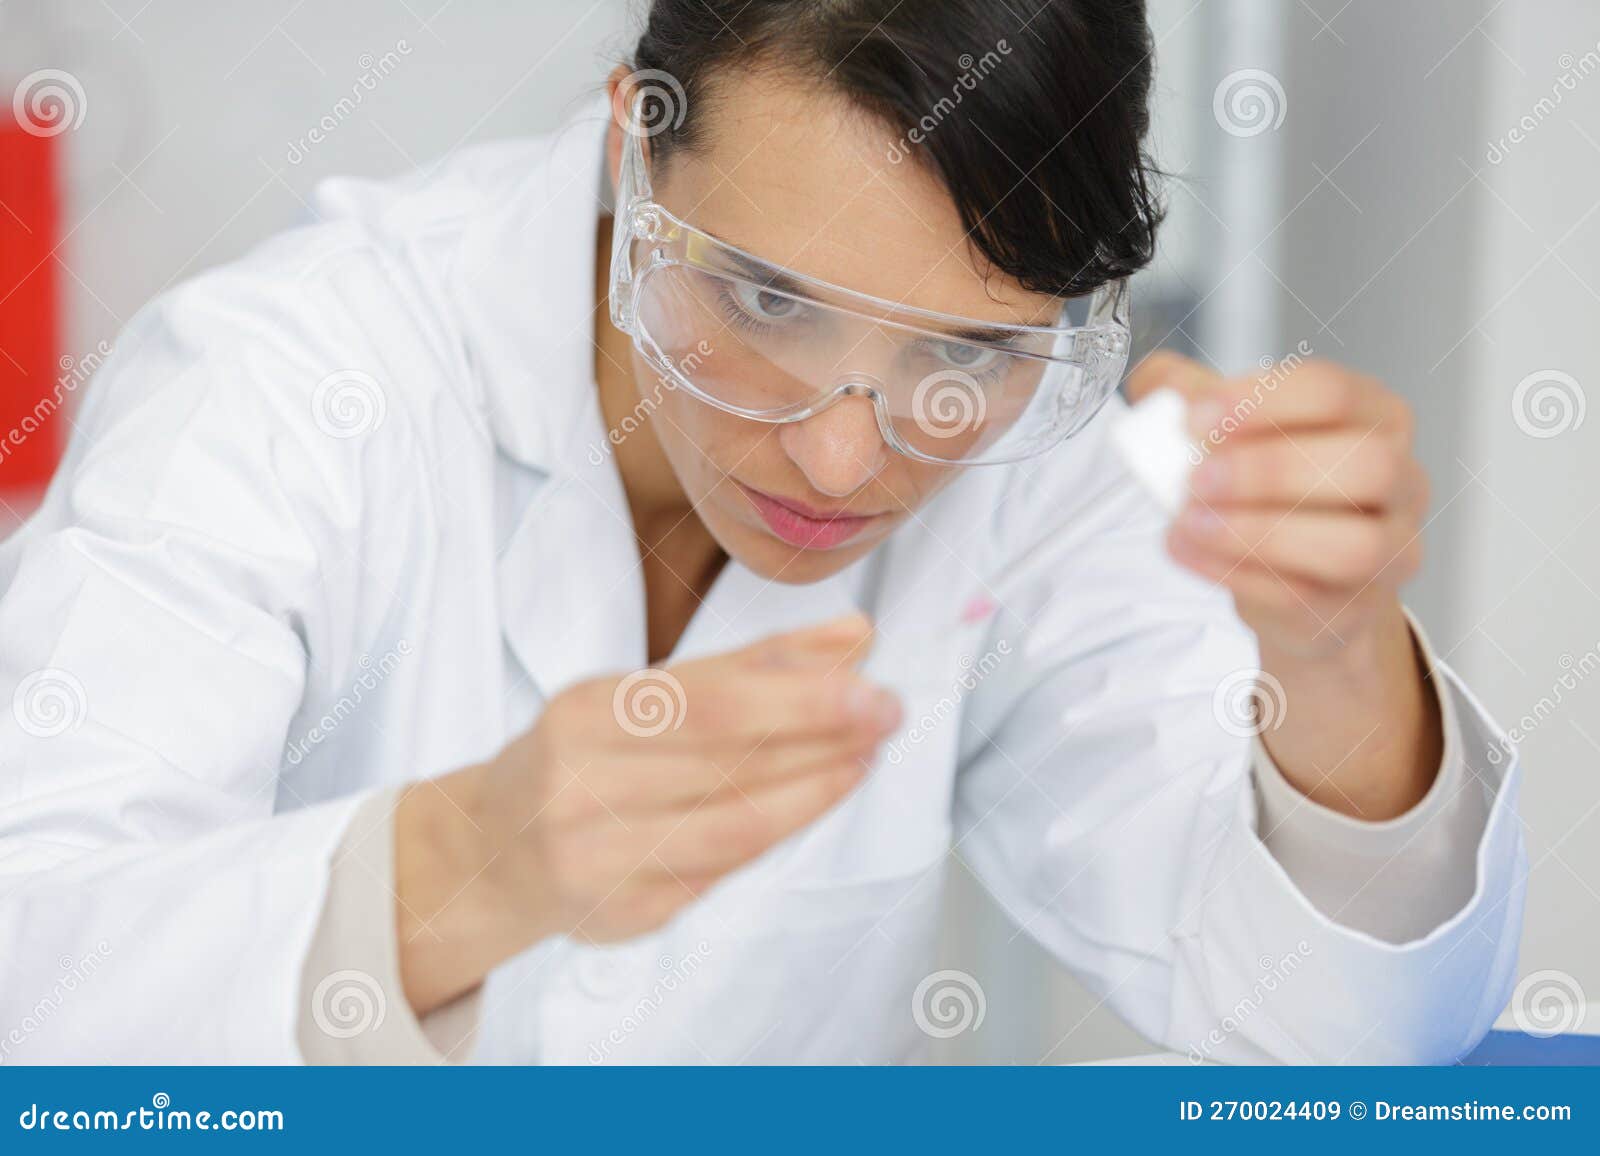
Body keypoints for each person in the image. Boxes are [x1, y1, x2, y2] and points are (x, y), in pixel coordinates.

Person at [0, 0, 1523, 1065]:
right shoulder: (289, 386)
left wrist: (1331, 657)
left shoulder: (1030, 476)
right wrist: (460, 862)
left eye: (963, 353)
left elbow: (1350, 1032)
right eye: (768, 300)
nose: (846, 452)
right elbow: (30, 982)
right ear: (634, 148)